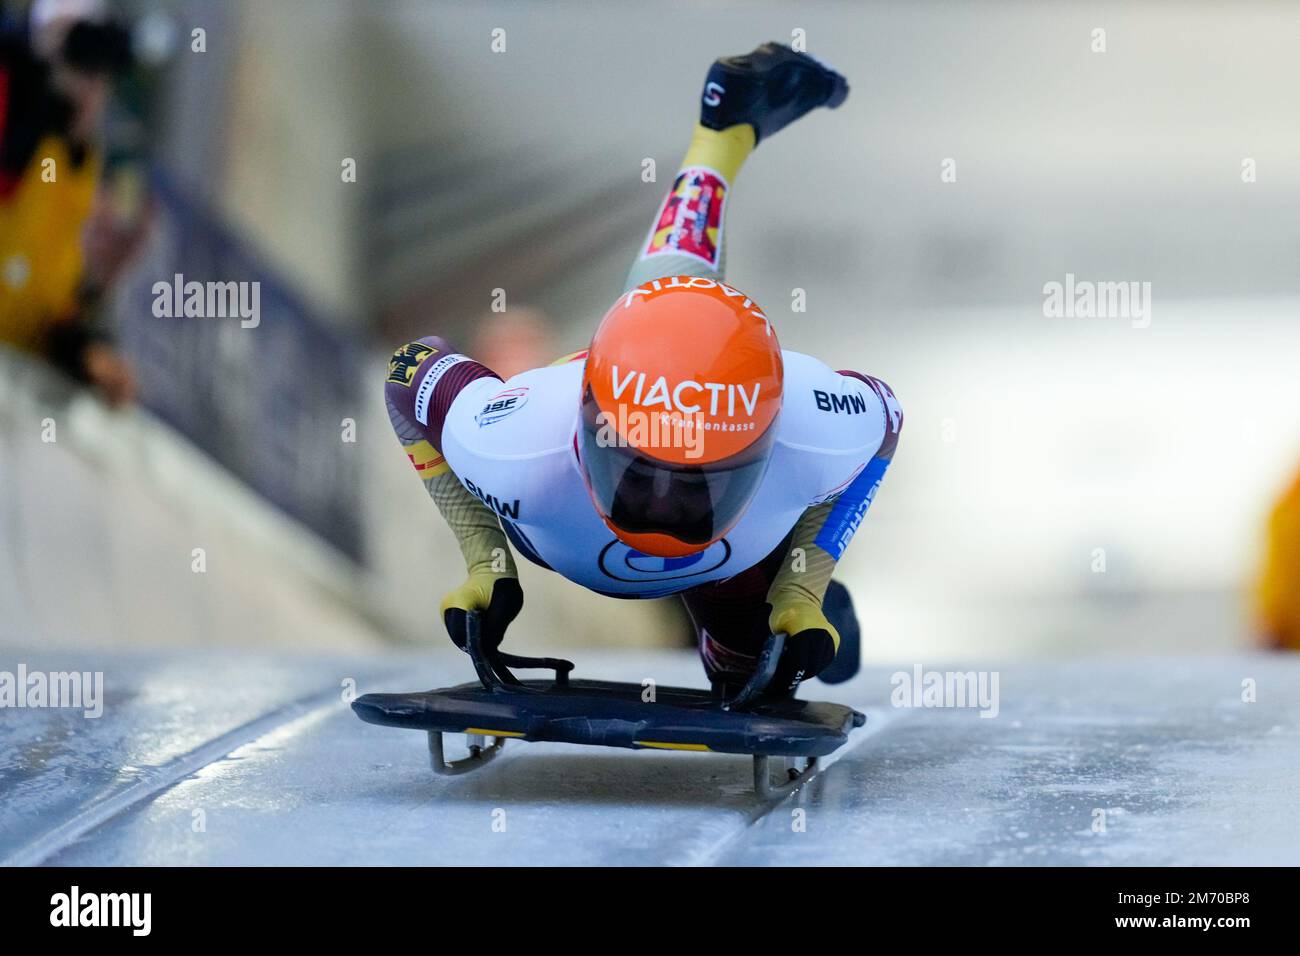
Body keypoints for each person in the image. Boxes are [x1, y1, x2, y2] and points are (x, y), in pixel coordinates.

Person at [385, 43, 902, 695]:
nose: (661, 511)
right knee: (671, 288)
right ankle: (723, 138)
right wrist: (485, 560)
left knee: (785, 661)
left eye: (695, 486)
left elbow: (410, 372)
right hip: (731, 543)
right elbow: (408, 373)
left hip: (675, 534)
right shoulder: (513, 438)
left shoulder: (814, 423)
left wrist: (804, 584)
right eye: (638, 473)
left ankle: (724, 137)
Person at [0, 0, 136, 406]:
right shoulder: (19, 120)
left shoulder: (82, 170)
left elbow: (50, 307)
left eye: (102, 73)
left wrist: (87, 352)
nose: (93, 85)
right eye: (85, 65)